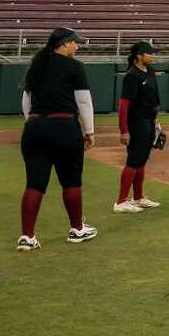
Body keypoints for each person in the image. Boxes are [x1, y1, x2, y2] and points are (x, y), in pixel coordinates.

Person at [17, 28, 98, 250]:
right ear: (64, 43)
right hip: (64, 128)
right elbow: (83, 101)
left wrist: (34, 122)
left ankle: (27, 236)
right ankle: (77, 229)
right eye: (75, 43)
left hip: (34, 128)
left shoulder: (38, 65)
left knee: (34, 183)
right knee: (71, 180)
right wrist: (89, 131)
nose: (77, 47)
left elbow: (26, 100)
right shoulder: (75, 67)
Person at [115, 41, 164, 213]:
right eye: (150, 53)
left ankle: (138, 198)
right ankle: (120, 201)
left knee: (142, 159)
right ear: (139, 56)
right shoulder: (132, 75)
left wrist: (156, 121)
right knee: (134, 160)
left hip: (148, 120)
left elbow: (154, 98)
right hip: (136, 121)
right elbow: (123, 105)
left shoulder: (149, 71)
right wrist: (124, 130)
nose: (153, 55)